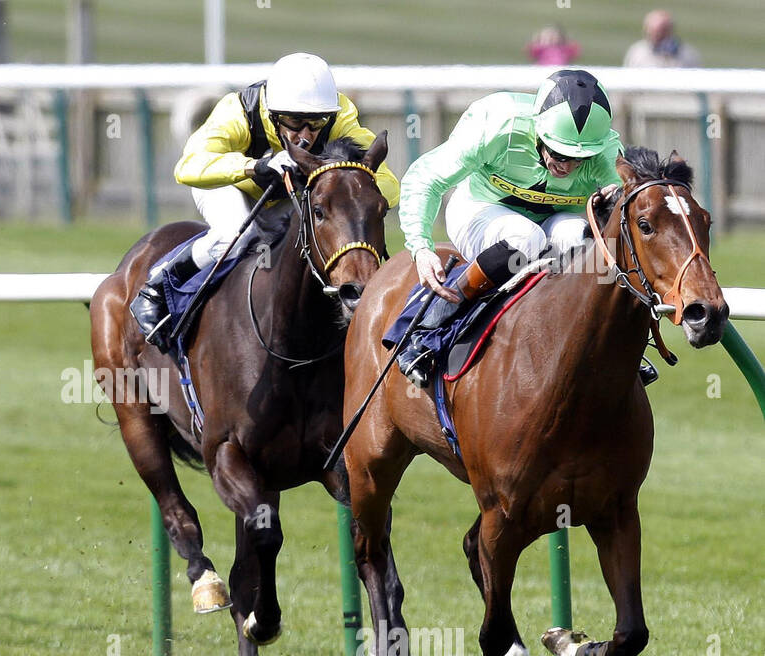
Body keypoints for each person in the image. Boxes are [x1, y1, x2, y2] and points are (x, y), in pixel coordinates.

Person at [395, 68, 656, 387]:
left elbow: (631, 216)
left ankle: (611, 344)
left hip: (555, 220)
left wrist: (612, 206)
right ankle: (429, 328)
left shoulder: (605, 154)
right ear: (538, 130)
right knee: (526, 238)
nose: (565, 165)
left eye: (578, 158)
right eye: (558, 152)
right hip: (480, 208)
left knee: (584, 241)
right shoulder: (496, 124)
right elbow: (425, 179)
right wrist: (421, 247)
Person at [131, 52, 400, 350]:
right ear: (272, 114)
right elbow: (188, 167)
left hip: (291, 194)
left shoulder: (339, 116)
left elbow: (387, 183)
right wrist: (254, 166)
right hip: (230, 184)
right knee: (238, 234)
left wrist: (344, 187)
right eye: (294, 121)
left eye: (316, 122)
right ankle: (158, 286)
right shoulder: (237, 111)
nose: (306, 134)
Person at [623, 10, 700, 68]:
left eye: (661, 31)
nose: (656, 35)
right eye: (652, 30)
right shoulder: (637, 52)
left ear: (670, 30)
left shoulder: (687, 55)